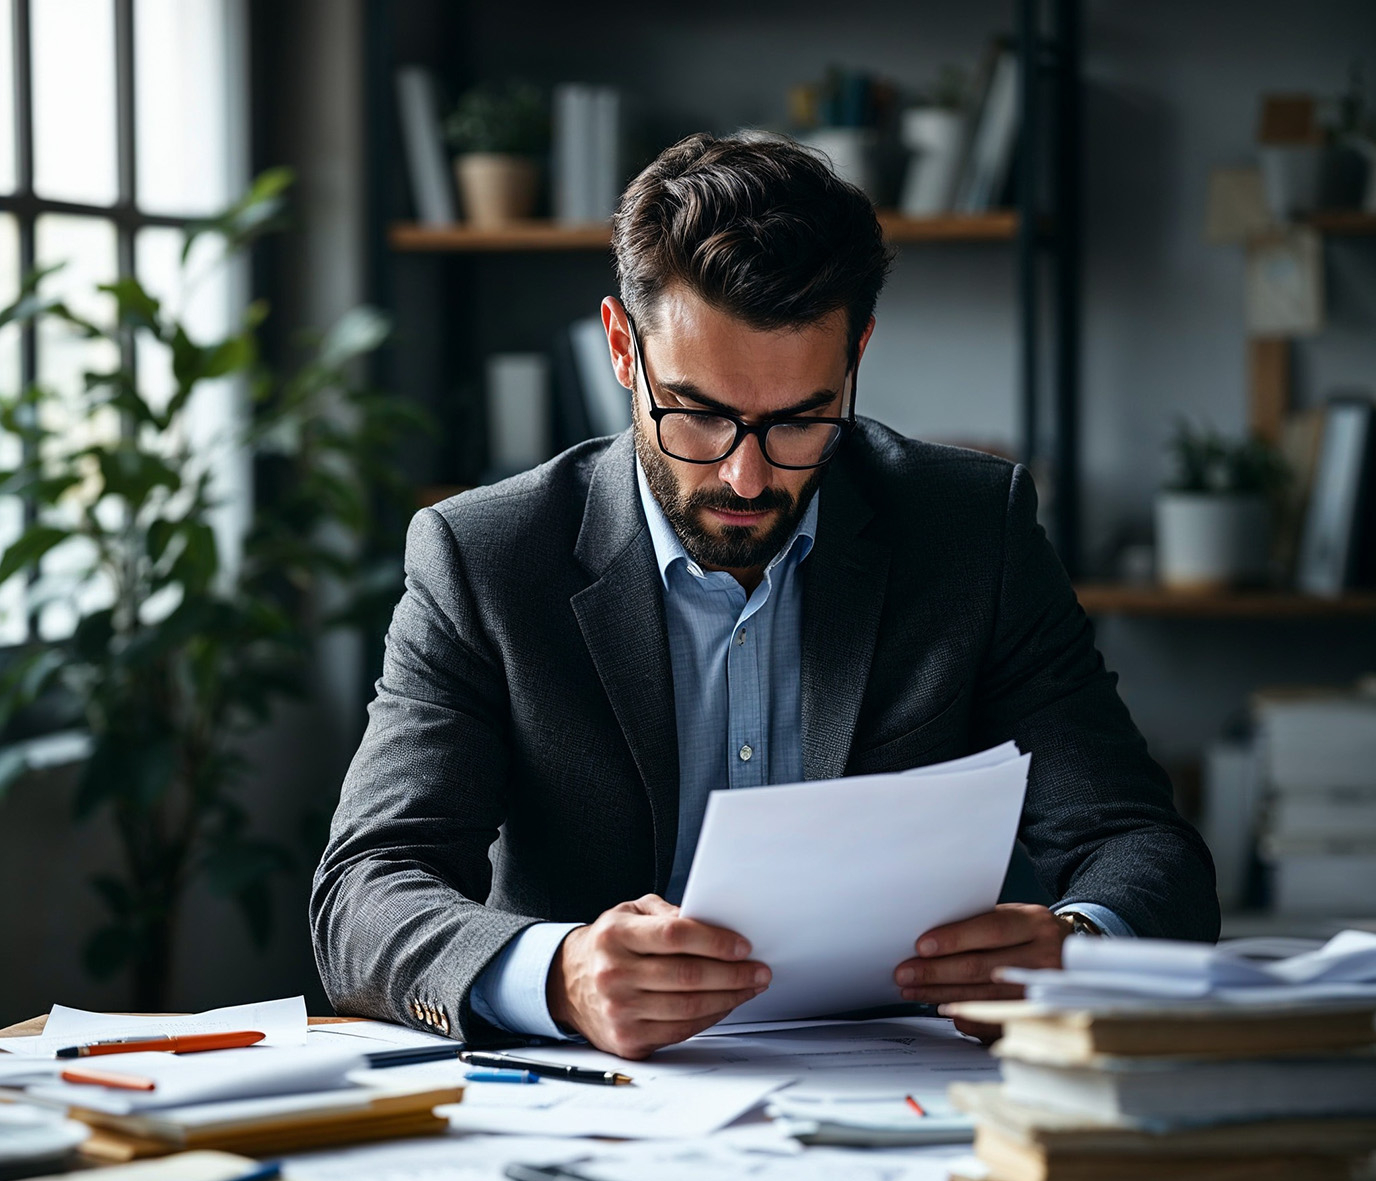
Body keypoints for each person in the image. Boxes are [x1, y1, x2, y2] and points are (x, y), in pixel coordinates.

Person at [311, 132, 1218, 1059]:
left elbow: (1144, 847)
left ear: (857, 353)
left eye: (800, 419)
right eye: (698, 413)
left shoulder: (972, 532)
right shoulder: (485, 558)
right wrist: (561, 974)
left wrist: (1083, 946)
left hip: (904, 1089)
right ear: (623, 348)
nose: (746, 477)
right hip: (594, 1100)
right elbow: (366, 891)